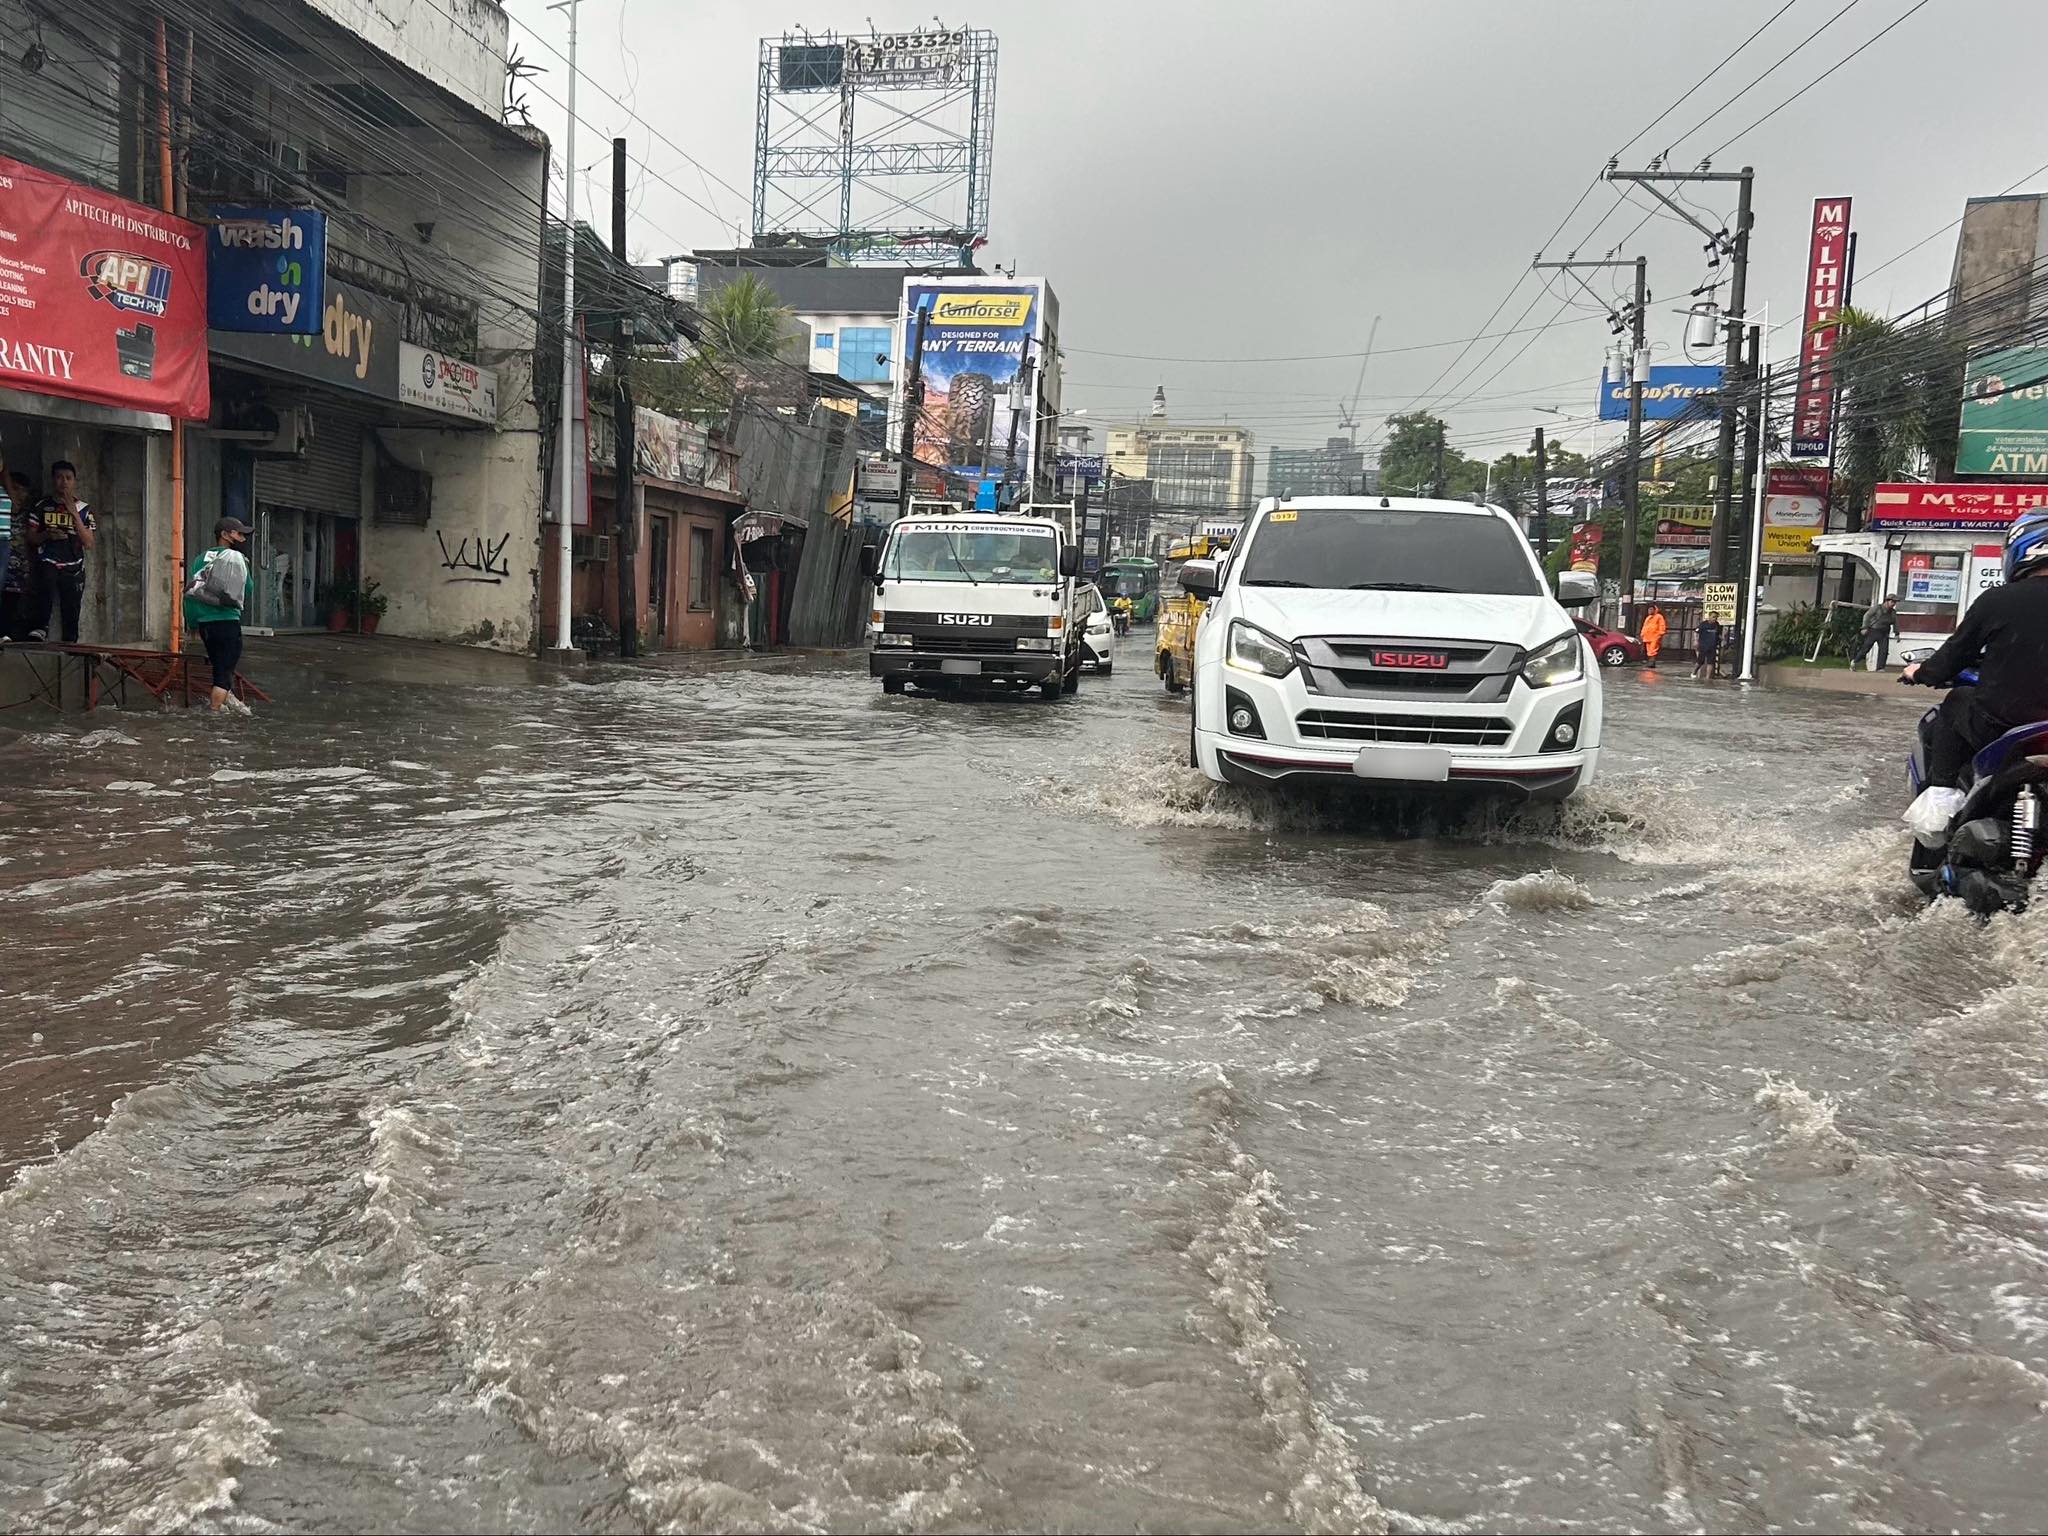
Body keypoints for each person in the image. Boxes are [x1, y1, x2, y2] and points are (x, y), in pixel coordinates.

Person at [1902, 511, 2048, 787]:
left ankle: (1940, 798)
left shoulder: (1998, 600)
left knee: (1956, 700)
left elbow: (1953, 657)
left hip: (2002, 726)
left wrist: (1919, 672)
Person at [185, 516, 253, 713]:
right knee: (224, 672)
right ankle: (214, 712)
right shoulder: (235, 559)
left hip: (205, 625)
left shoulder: (200, 558)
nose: (243, 539)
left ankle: (227, 702)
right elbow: (248, 589)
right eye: (238, 534)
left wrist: (192, 623)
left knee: (219, 666)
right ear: (224, 535)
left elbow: (190, 591)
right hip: (227, 622)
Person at [22, 460, 95, 643]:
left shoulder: (84, 509)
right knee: (45, 584)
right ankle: (39, 629)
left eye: (68, 478)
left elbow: (88, 542)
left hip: (73, 564)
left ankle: (71, 642)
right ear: (53, 480)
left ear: (74, 481)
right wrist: (47, 534)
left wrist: (73, 513)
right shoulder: (40, 506)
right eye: (59, 477)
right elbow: (30, 538)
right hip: (47, 560)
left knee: (71, 605)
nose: (64, 482)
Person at [1855, 593, 1900, 671]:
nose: (1894, 604)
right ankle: (1855, 662)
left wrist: (1897, 633)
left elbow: (1895, 622)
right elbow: (1867, 616)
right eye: (1892, 602)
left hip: (1884, 633)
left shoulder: (1893, 612)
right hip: (1874, 631)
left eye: (1895, 602)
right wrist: (1864, 627)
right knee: (1866, 648)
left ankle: (1880, 668)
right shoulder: (1877, 608)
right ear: (1887, 601)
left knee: (1884, 651)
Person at [1693, 614, 1722, 679]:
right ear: (1709, 617)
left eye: (1716, 617)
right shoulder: (1703, 624)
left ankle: (1707, 677)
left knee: (1710, 662)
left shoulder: (1717, 625)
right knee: (1700, 661)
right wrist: (1696, 641)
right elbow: (1696, 632)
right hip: (1703, 645)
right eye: (1713, 617)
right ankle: (1694, 672)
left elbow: (1719, 634)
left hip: (1712, 646)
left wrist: (1720, 638)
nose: (1714, 619)